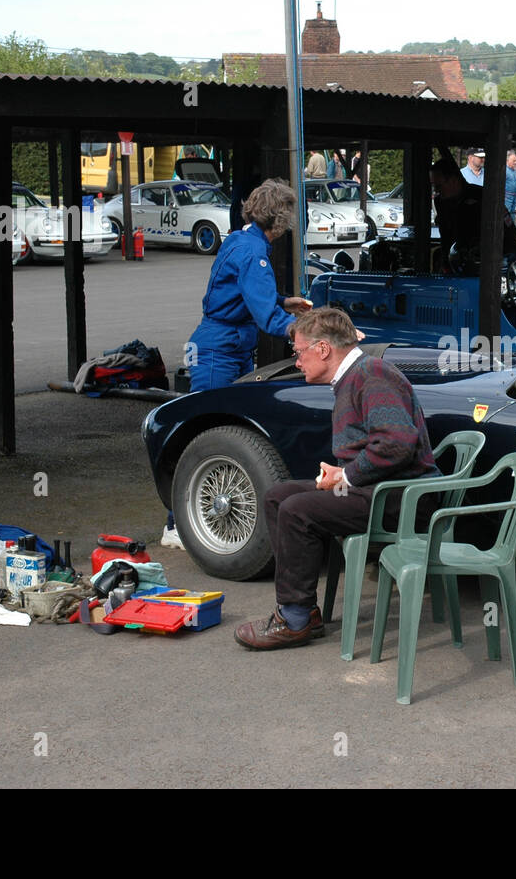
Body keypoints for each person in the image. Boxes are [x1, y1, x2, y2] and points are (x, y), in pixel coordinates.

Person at [235, 307, 439, 650]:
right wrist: (343, 474)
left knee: (297, 509)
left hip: (401, 498)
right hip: (376, 488)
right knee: (278, 496)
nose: (297, 363)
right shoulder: (354, 376)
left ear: (323, 349)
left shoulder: (372, 373)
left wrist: (345, 473)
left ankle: (295, 620)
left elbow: (397, 442)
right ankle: (304, 610)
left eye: (299, 353)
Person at [167, 179, 312, 547]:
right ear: (278, 220)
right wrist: (303, 333)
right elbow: (265, 317)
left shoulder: (239, 239)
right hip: (221, 349)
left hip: (219, 344)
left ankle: (184, 519)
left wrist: (282, 301)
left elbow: (244, 294)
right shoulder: (256, 254)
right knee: (207, 438)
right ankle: (177, 525)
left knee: (212, 435)